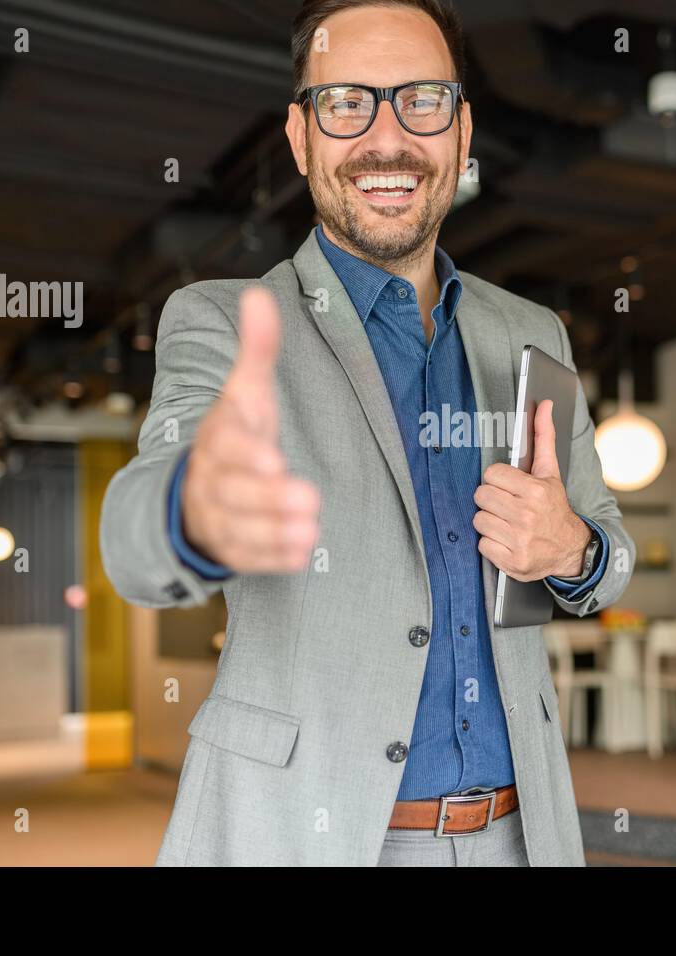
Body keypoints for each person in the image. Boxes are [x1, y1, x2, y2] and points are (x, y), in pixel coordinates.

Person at [100, 0, 634, 866]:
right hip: (304, 831)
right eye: (347, 102)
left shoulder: (533, 333)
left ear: (462, 134)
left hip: (518, 837)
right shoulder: (221, 321)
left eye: (421, 100)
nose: (387, 138)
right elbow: (137, 536)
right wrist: (190, 511)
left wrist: (574, 550)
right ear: (301, 137)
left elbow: (610, 549)